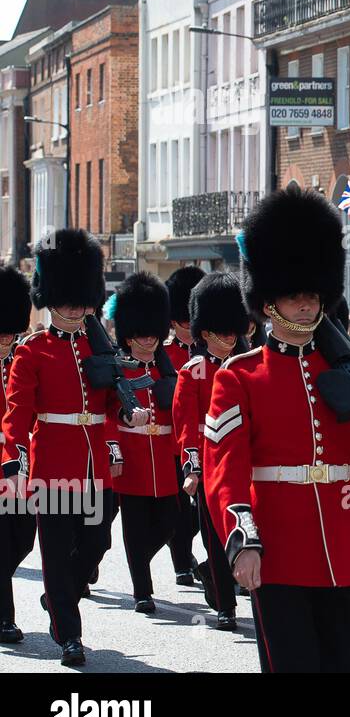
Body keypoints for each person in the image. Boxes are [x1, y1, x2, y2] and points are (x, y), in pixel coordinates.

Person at [205, 188, 350, 673]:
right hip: (279, 551)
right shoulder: (239, 376)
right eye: (295, 294)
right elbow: (225, 472)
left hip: (342, 551)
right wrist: (241, 540)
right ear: (269, 301)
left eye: (314, 294)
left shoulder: (343, 370)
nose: (307, 305)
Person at [3, 229, 148, 666]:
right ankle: (69, 634)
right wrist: (14, 461)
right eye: (67, 301)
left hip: (94, 465)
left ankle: (61, 594)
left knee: (97, 543)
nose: (74, 309)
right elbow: (17, 414)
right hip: (52, 465)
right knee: (55, 549)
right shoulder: (33, 352)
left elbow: (106, 404)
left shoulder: (96, 348)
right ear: (51, 299)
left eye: (81, 301)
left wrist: (127, 414)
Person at [172, 271, 248, 632]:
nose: (230, 338)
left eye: (233, 330)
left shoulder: (248, 368)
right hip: (210, 464)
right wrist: (192, 468)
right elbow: (188, 426)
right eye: (222, 331)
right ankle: (225, 605)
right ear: (205, 333)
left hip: (247, 463)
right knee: (215, 537)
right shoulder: (193, 372)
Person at [108, 273, 182, 615]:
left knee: (168, 522)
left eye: (153, 334)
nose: (148, 340)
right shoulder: (117, 368)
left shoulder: (168, 367)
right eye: (140, 334)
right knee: (135, 529)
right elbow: (107, 412)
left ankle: (142, 569)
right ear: (128, 335)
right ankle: (142, 589)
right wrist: (114, 448)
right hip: (133, 457)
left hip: (164, 458)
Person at [163, 266, 206, 587]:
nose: (189, 329)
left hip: (208, 441)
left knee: (200, 511)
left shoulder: (215, 355)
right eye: (183, 323)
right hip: (173, 442)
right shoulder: (165, 354)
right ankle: (181, 561)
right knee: (179, 508)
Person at [0, 266, 35, 645]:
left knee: (24, 538)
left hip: (18, 466)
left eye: (9, 333)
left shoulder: (21, 362)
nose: (5, 339)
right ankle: (5, 619)